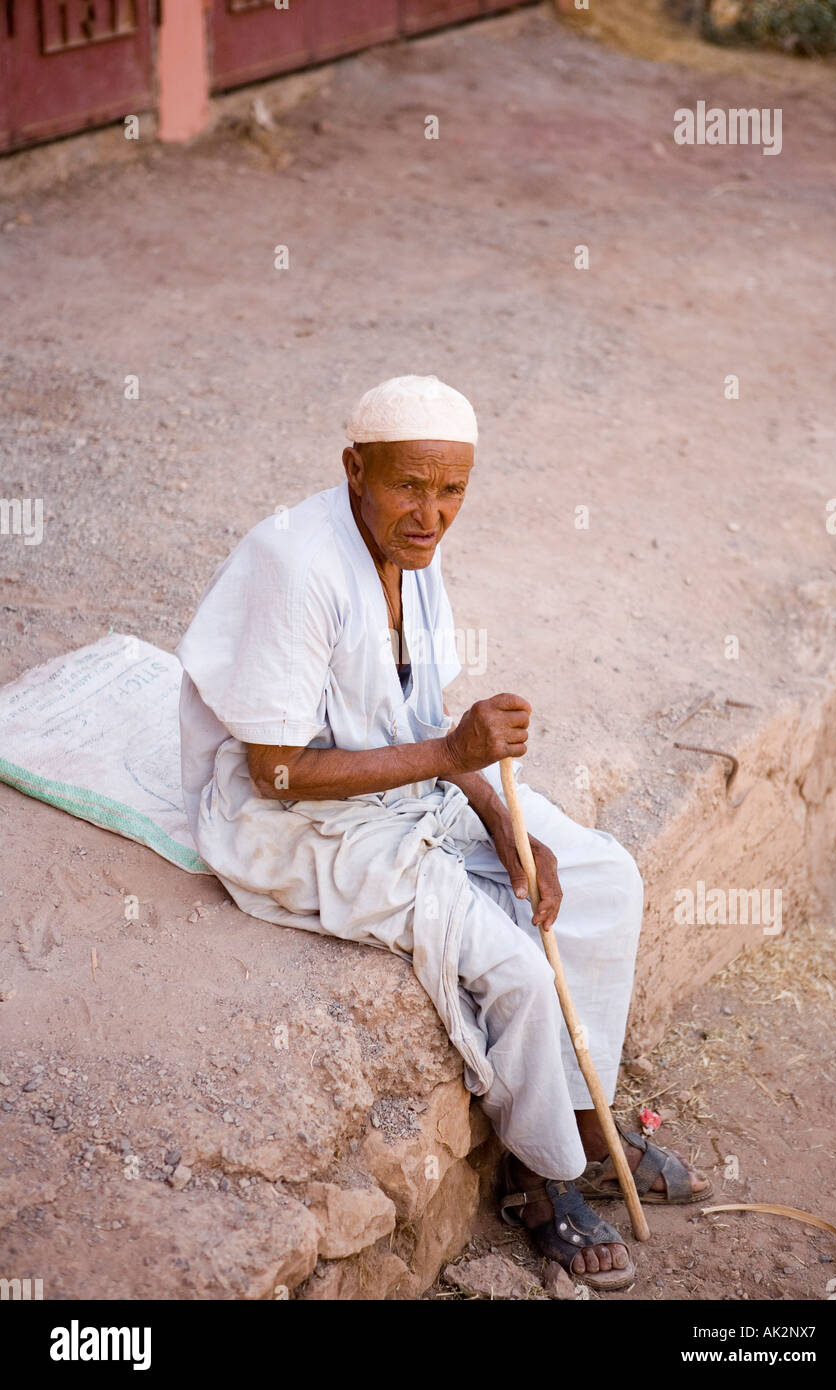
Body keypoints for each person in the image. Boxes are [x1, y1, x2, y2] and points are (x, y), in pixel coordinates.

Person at [176, 374, 710, 1291]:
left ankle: (586, 1115)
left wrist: (503, 822)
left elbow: (417, 723)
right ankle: (543, 1183)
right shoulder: (299, 564)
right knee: (515, 967)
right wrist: (447, 755)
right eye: (410, 487)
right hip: (294, 821)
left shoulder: (411, 552)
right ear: (355, 469)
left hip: (401, 780)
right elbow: (275, 769)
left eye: (452, 490)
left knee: (606, 879)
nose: (432, 514)